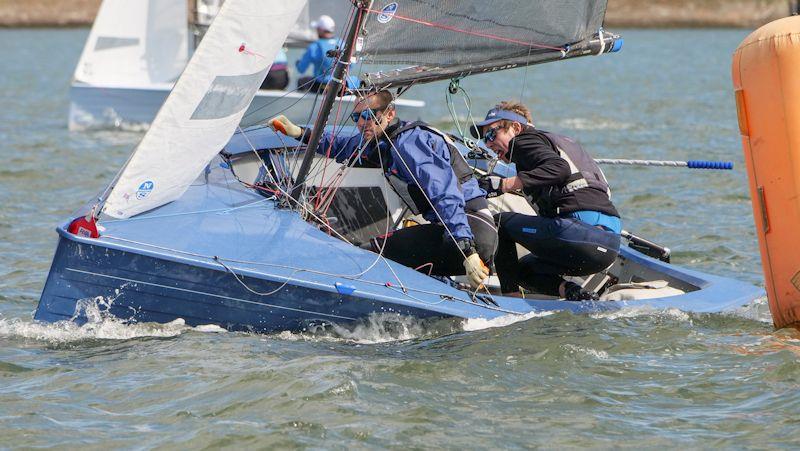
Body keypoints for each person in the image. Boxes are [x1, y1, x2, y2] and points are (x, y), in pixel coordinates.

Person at [269, 91, 496, 289]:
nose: (361, 123)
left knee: (369, 254)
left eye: (368, 115)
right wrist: (300, 133)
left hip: (469, 232)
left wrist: (467, 250)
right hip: (459, 232)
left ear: (389, 114)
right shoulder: (385, 143)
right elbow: (341, 147)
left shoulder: (410, 142)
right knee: (394, 252)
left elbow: (445, 194)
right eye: (356, 117)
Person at [471, 101, 622, 300]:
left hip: (581, 237)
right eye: (485, 140)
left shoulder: (523, 141)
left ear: (516, 128)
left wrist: (503, 185)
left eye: (492, 134)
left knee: (499, 223)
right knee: (524, 270)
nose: (488, 143)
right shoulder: (560, 142)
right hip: (609, 248)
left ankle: (510, 300)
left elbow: (560, 169)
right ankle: (576, 294)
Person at [296, 15, 358, 93]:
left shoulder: (315, 46)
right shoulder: (342, 43)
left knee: (301, 81)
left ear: (321, 30)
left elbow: (301, 69)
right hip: (340, 85)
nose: (316, 31)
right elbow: (351, 65)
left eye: (317, 29)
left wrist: (297, 63)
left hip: (322, 86)